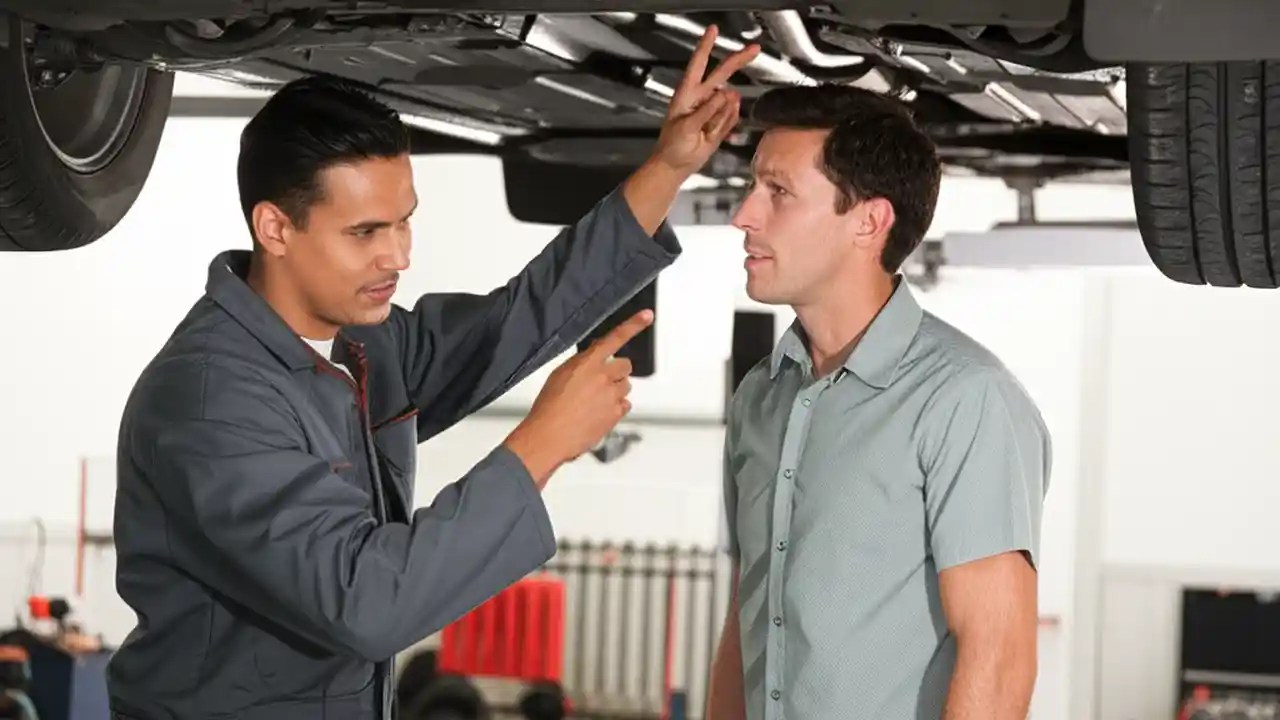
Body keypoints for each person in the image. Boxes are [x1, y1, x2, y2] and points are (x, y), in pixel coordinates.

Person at [105, 27, 760, 720]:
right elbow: (367, 602)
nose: (398, 257)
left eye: (404, 223)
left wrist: (667, 168)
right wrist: (542, 443)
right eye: (365, 232)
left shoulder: (361, 346)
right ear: (275, 229)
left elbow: (518, 320)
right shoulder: (211, 400)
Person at [705, 84, 1052, 720]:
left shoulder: (964, 399)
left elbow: (997, 658)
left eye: (778, 191)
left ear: (868, 221)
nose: (744, 214)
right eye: (754, 187)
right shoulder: (761, 394)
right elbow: (748, 615)